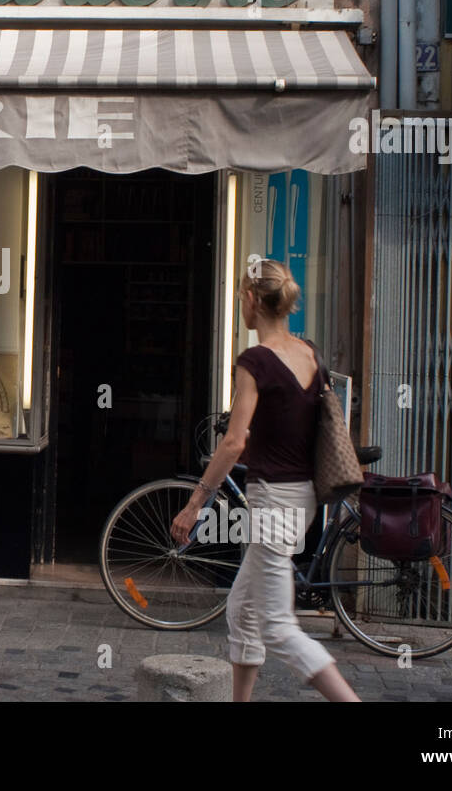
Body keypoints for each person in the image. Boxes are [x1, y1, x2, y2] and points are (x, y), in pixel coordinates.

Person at [171, 259, 359, 702]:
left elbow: (234, 443)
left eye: (241, 298)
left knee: (277, 627)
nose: (242, 306)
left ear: (252, 300)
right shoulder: (308, 351)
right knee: (242, 608)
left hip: (274, 500)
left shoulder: (254, 361)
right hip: (304, 498)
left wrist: (195, 503)